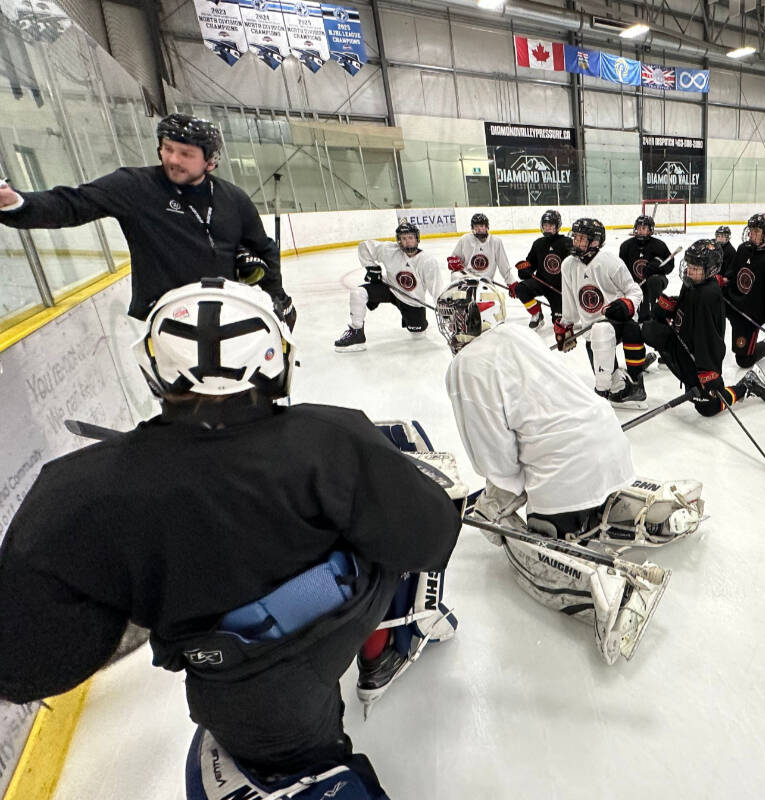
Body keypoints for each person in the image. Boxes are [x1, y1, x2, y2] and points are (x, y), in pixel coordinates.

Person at [0, 279, 462, 799]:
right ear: (279, 360)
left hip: (230, 695)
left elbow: (25, 668)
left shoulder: (74, 490)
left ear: (154, 370)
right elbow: (429, 537)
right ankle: (382, 650)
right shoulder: (333, 439)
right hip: (316, 655)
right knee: (404, 506)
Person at [438, 278, 700, 664]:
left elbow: (496, 460)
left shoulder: (465, 365)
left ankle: (609, 589)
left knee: (538, 537)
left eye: (456, 317)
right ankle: (652, 510)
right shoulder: (516, 334)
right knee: (589, 504)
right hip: (606, 442)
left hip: (563, 470)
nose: (451, 327)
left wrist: (503, 501)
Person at [0, 113, 293, 326]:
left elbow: (264, 248)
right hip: (167, 318)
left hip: (228, 313)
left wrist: (277, 296)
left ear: (210, 160)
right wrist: (17, 203)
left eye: (186, 154)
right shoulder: (134, 186)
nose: (173, 159)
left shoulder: (233, 198)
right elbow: (71, 204)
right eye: (168, 149)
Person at [643, 239, 765, 416]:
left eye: (696, 268)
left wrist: (709, 370)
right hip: (684, 344)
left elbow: (709, 337)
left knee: (707, 407)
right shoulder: (692, 282)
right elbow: (686, 307)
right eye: (689, 265)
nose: (690, 271)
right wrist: (671, 307)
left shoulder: (707, 295)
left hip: (700, 357)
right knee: (646, 329)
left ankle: (747, 385)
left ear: (710, 270)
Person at [556, 217, 650, 407]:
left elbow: (634, 291)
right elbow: (568, 300)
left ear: (596, 241)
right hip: (592, 328)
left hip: (619, 321)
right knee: (611, 382)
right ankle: (619, 388)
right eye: (576, 237)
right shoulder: (568, 265)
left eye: (582, 239)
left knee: (610, 331)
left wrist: (627, 305)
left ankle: (630, 381)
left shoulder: (609, 262)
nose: (577, 242)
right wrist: (565, 324)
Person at [334, 222, 444, 352]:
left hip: (411, 300)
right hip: (389, 288)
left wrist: (443, 308)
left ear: (417, 238)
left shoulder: (427, 261)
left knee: (418, 335)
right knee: (358, 292)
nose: (407, 242)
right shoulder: (389, 250)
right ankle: (356, 333)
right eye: (403, 238)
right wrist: (371, 268)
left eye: (410, 238)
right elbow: (364, 246)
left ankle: (412, 319)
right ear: (399, 241)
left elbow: (437, 288)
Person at [723, 214, 765, 370]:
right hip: (733, 303)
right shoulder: (743, 249)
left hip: (751, 314)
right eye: (751, 230)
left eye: (757, 231)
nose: (751, 234)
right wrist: (723, 281)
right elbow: (733, 272)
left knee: (744, 360)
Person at [512, 209, 571, 329]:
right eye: (545, 225)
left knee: (559, 323)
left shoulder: (567, 243)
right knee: (521, 288)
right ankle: (536, 314)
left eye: (550, 225)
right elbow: (530, 263)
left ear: (557, 226)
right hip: (541, 282)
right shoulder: (538, 243)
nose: (547, 228)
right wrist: (525, 270)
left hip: (559, 288)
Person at [618, 214, 675, 319]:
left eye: (643, 228)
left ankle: (656, 310)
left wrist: (659, 266)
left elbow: (670, 265)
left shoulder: (659, 245)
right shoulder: (626, 246)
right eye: (638, 228)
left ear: (650, 230)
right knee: (641, 316)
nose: (640, 230)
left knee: (654, 281)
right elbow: (621, 269)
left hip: (655, 281)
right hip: (635, 284)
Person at [447, 212, 515, 287]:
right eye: (476, 226)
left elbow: (503, 264)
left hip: (486, 281)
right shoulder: (465, 239)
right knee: (455, 276)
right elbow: (455, 258)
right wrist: (454, 262)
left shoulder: (496, 241)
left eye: (482, 226)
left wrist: (511, 282)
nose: (479, 229)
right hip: (467, 279)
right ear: (472, 228)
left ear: (487, 227)